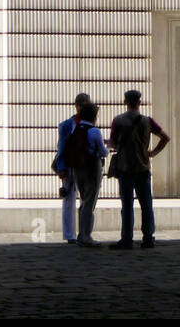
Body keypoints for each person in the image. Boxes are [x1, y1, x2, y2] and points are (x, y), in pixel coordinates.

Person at [106, 89, 169, 249]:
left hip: (125, 168)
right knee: (146, 204)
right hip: (143, 167)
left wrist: (110, 143)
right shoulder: (147, 121)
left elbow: (113, 143)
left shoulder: (118, 121)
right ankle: (148, 238)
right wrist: (152, 152)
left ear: (125, 102)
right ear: (139, 102)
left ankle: (127, 239)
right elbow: (165, 137)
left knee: (127, 205)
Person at [63, 101, 108, 246]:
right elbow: (103, 152)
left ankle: (81, 234)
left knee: (83, 199)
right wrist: (107, 148)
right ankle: (86, 236)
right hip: (92, 168)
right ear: (94, 116)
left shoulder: (76, 129)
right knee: (89, 202)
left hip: (77, 168)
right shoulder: (94, 131)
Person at [53, 93, 91, 244]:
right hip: (69, 165)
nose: (82, 109)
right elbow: (61, 148)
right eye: (81, 105)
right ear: (76, 106)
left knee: (85, 199)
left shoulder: (90, 124)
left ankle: (83, 232)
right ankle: (70, 234)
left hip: (84, 165)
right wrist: (61, 167)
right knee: (69, 199)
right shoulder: (66, 125)